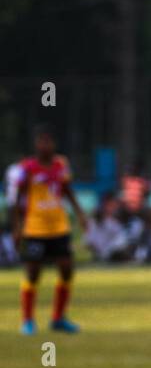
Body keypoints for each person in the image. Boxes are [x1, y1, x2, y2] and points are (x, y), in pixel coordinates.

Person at [14, 125, 87, 334]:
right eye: (42, 141)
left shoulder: (61, 165)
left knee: (66, 269)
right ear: (36, 144)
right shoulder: (28, 168)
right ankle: (27, 320)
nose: (46, 145)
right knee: (33, 273)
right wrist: (17, 227)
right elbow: (17, 198)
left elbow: (67, 190)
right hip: (35, 228)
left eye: (49, 141)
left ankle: (58, 317)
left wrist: (80, 214)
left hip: (59, 227)